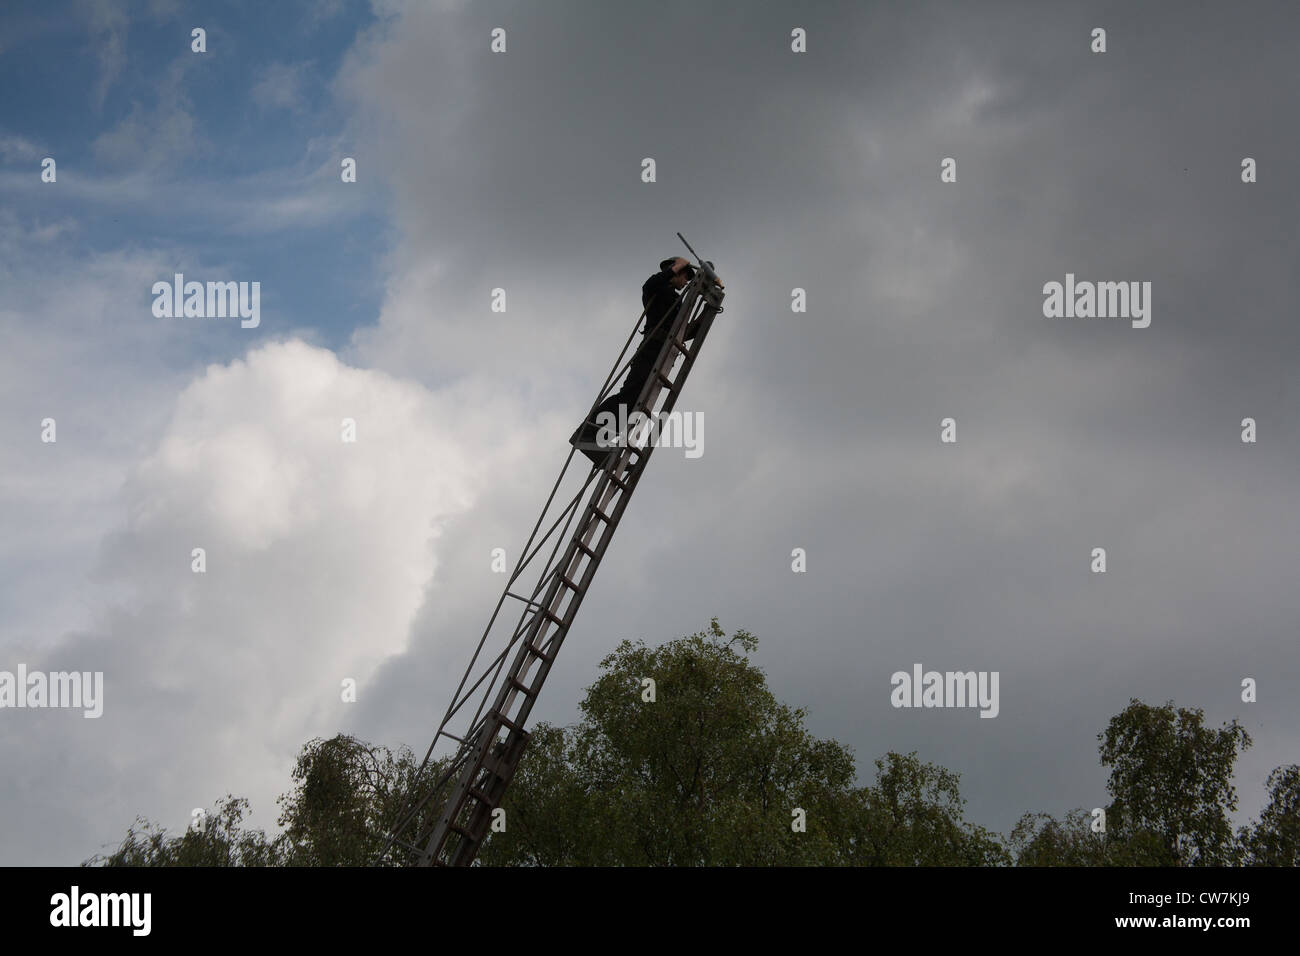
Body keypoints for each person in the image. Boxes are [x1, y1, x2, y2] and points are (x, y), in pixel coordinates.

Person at [569, 257, 723, 465]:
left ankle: (601, 440)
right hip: (650, 350)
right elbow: (649, 285)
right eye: (686, 276)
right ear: (675, 272)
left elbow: (684, 332)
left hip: (662, 353)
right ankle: (588, 435)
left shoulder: (677, 303)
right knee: (631, 395)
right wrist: (678, 265)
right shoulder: (658, 292)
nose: (687, 282)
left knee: (636, 405)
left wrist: (708, 309)